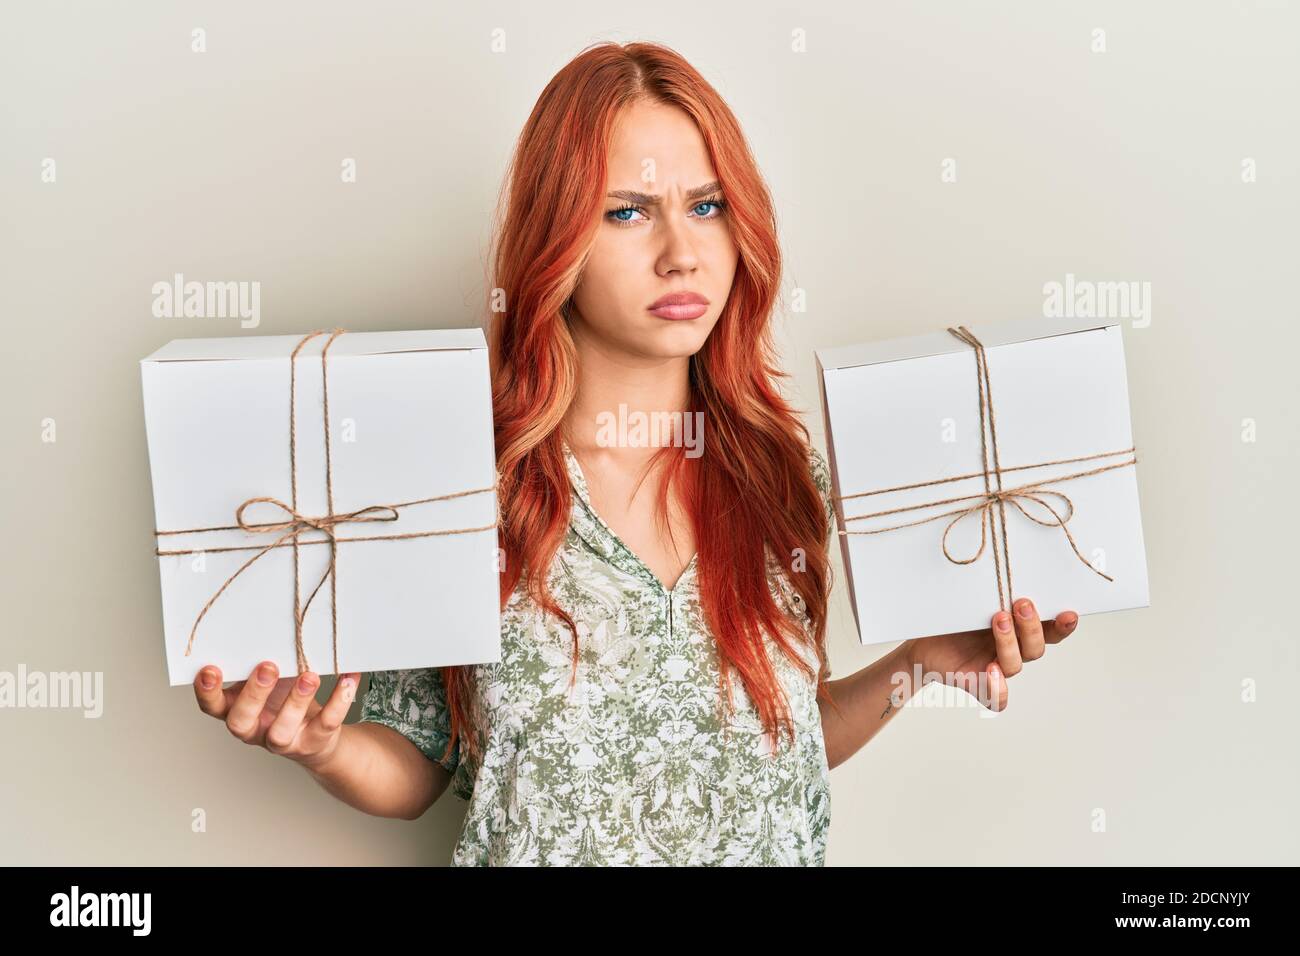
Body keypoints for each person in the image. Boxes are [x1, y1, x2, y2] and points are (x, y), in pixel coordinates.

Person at [190, 41, 1080, 866]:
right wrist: (322, 742)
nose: (681, 253)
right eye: (627, 212)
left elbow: (781, 744)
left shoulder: (783, 477)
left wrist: (916, 663)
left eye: (706, 206)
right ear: (557, 243)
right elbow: (424, 769)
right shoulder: (460, 486)